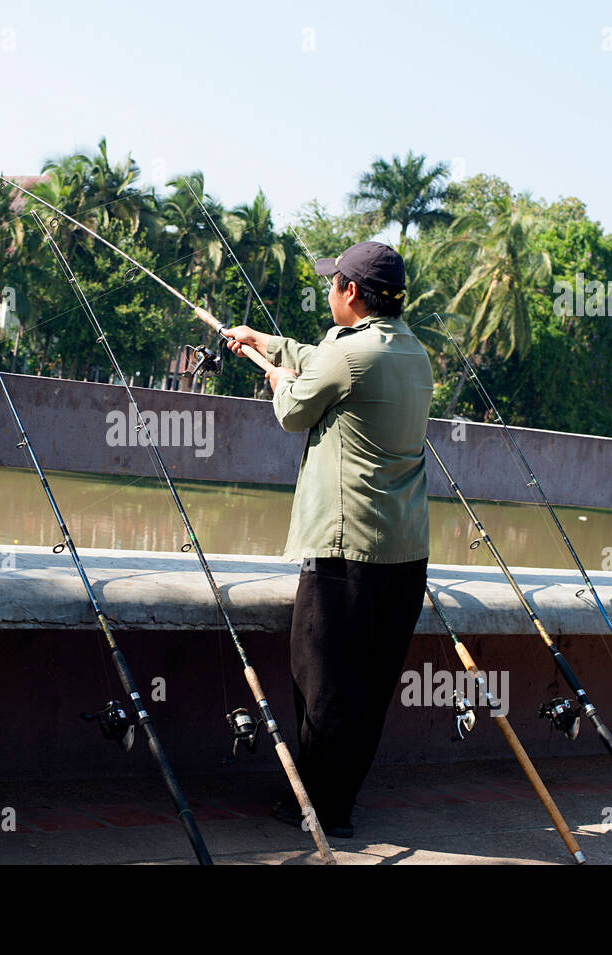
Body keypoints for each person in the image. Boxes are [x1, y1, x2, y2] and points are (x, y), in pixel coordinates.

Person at [226, 240, 433, 838]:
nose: (328, 289)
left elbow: (294, 409)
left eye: (334, 281)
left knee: (321, 682)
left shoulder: (349, 354)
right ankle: (338, 802)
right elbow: (322, 360)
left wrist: (276, 380)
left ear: (353, 293)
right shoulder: (412, 353)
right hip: (404, 554)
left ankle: (318, 810)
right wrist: (265, 343)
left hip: (347, 552)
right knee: (367, 687)